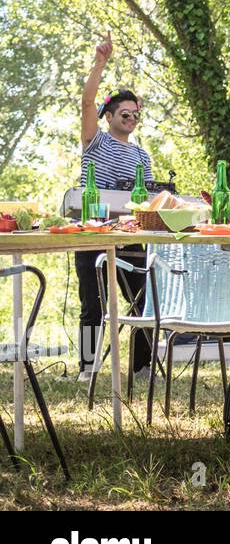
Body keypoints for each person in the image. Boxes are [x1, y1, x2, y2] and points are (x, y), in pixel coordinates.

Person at [77, 32, 153, 382]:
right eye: (125, 111)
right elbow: (87, 102)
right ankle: (88, 367)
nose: (131, 117)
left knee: (143, 298)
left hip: (130, 234)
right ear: (109, 115)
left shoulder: (142, 155)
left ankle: (141, 366)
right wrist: (99, 64)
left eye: (136, 113)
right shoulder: (96, 141)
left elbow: (149, 199)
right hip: (91, 231)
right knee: (94, 303)